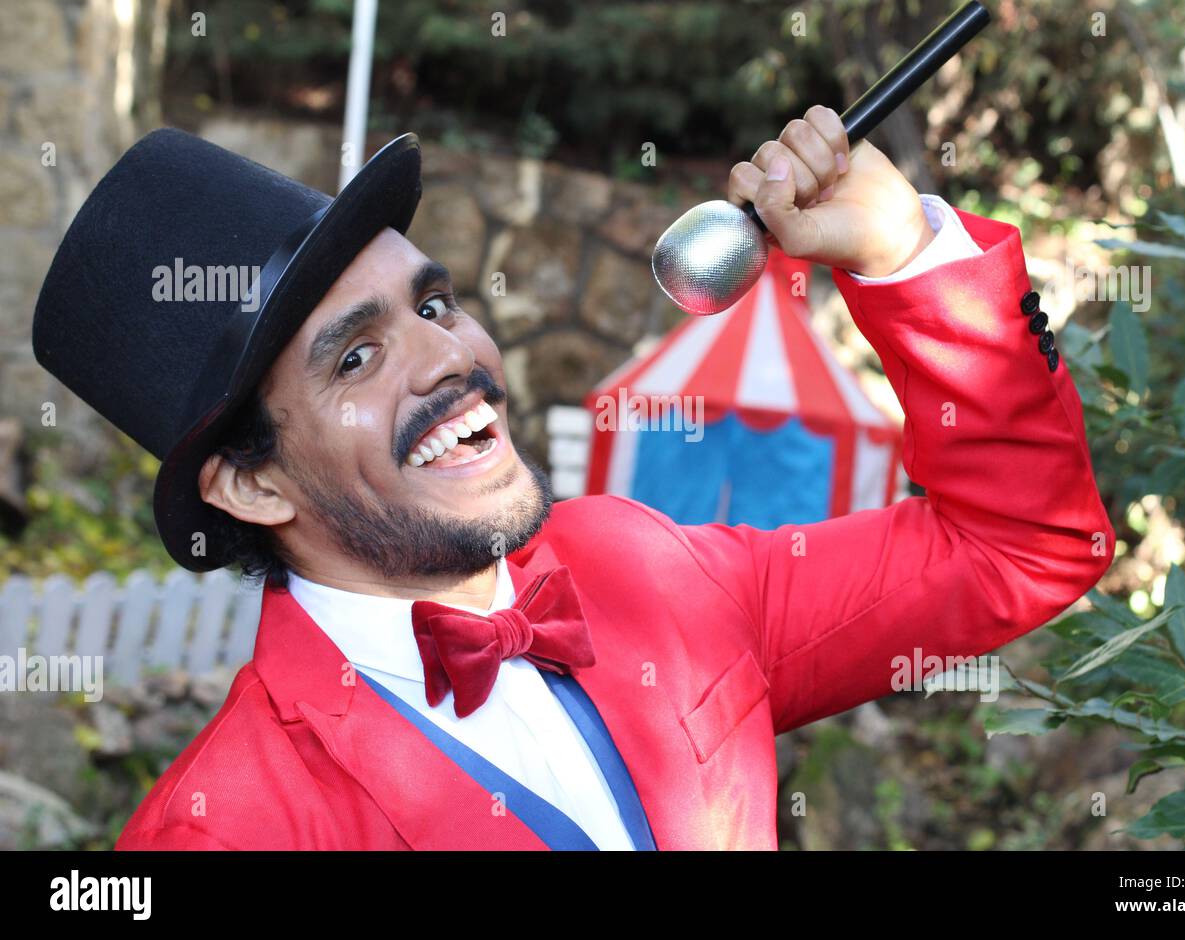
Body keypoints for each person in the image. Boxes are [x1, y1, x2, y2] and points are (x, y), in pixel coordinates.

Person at [31, 107, 1113, 850]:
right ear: (254, 487)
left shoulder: (646, 564)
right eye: (355, 357)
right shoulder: (227, 825)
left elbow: (1020, 544)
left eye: (436, 303)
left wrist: (898, 255)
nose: (449, 356)